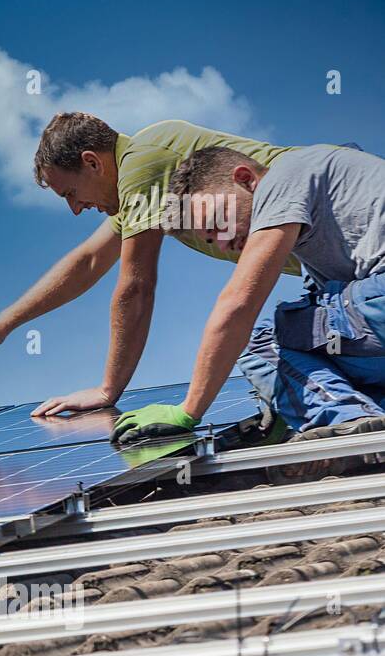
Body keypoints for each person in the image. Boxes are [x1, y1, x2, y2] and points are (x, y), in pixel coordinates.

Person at [0, 114, 299, 417]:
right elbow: (89, 261)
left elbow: (135, 287)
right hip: (333, 259)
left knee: (272, 350)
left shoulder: (141, 165)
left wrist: (108, 389)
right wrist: (6, 323)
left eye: (70, 193)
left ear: (92, 162)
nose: (76, 209)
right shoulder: (146, 161)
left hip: (345, 230)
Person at [110, 143, 385, 478]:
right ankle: (362, 420)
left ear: (245, 179)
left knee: (263, 341)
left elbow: (238, 306)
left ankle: (349, 425)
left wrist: (188, 412)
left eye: (216, 224)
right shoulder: (332, 188)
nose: (223, 244)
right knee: (320, 338)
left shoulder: (285, 177)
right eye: (211, 241)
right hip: (374, 321)